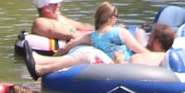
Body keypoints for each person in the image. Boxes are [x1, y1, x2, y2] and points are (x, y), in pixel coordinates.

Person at [24, 24, 176, 77]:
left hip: (117, 70)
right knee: (88, 52)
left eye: (151, 37)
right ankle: (41, 60)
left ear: (157, 42)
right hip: (116, 65)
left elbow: (131, 68)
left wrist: (119, 58)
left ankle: (41, 69)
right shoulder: (152, 52)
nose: (148, 39)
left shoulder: (153, 57)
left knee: (88, 58)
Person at [49, 1, 148, 63]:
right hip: (126, 64)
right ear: (112, 18)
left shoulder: (91, 37)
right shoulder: (121, 32)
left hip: (107, 65)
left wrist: (53, 58)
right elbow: (141, 51)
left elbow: (66, 47)